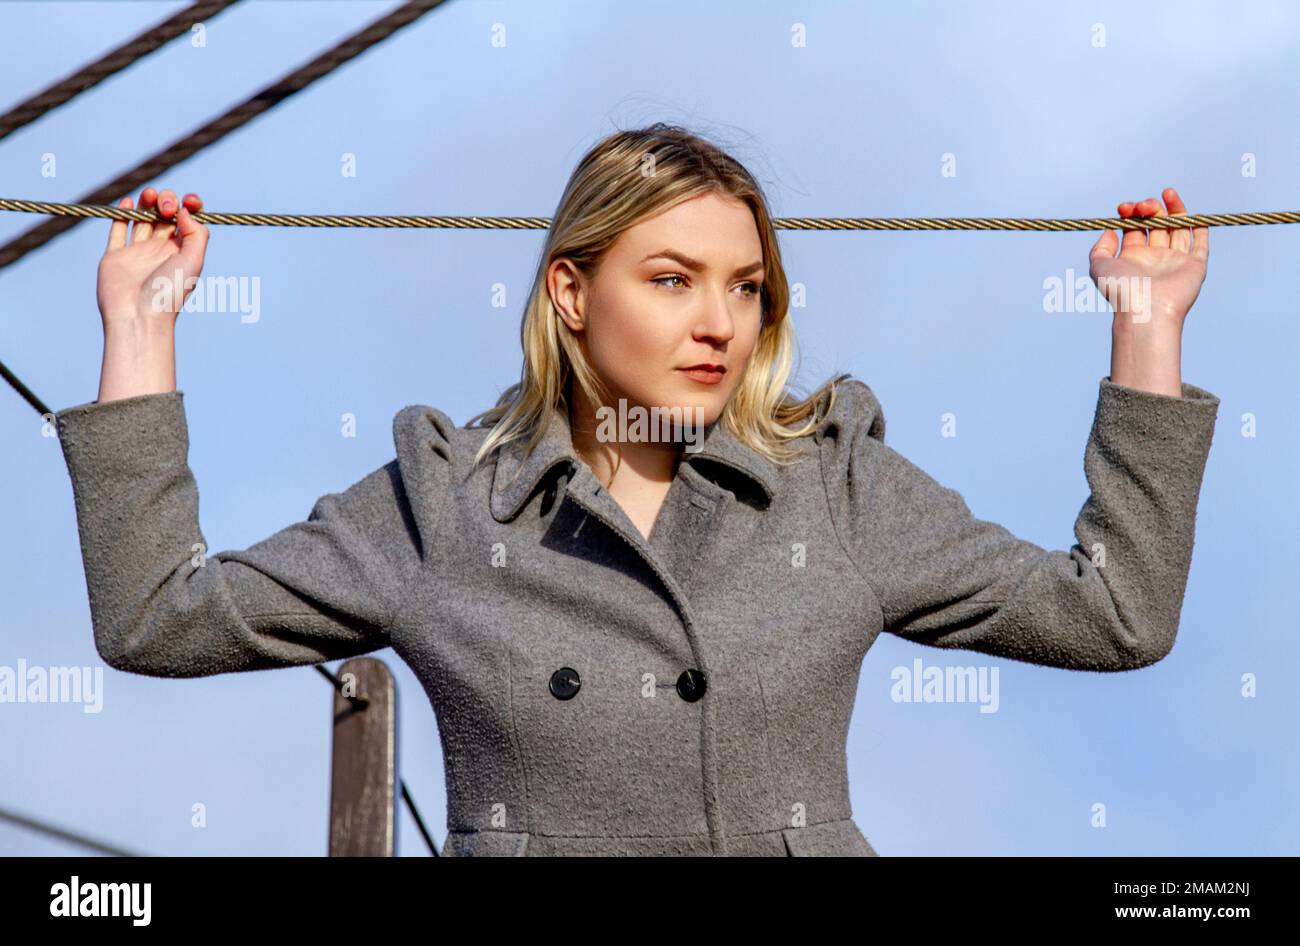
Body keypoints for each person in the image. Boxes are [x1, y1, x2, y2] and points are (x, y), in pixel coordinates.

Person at [55, 123, 1220, 856]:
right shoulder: (448, 506)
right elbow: (158, 617)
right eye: (672, 279)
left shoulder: (832, 486)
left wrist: (1144, 326)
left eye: (747, 287)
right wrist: (141, 321)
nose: (718, 322)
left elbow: (1113, 615)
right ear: (571, 292)